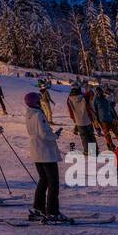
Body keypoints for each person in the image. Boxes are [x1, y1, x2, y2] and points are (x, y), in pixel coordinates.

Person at [24, 91, 66, 222]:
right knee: (53, 182)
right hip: (45, 151)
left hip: (36, 150)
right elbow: (44, 134)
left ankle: (39, 208)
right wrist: (55, 135)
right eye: (39, 100)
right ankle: (52, 211)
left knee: (43, 180)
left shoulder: (29, 114)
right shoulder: (38, 114)